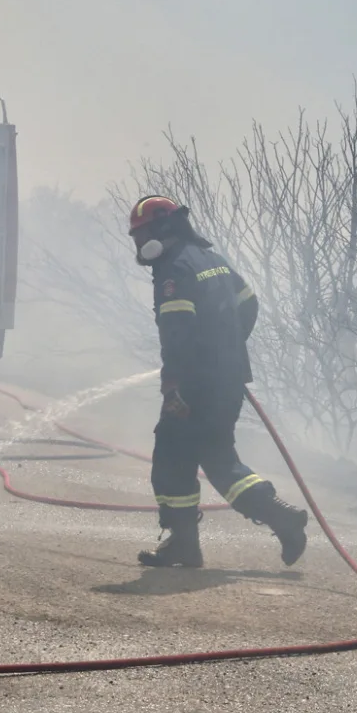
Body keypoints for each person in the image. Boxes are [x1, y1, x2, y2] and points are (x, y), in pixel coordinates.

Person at [128, 194, 310, 569]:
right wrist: (227, 347)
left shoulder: (174, 270)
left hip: (195, 385)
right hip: (227, 380)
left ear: (161, 230)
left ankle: (184, 543)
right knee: (218, 458)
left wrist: (174, 385)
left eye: (140, 234)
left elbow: (177, 334)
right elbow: (249, 304)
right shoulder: (211, 260)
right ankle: (282, 518)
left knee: (171, 459)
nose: (138, 244)